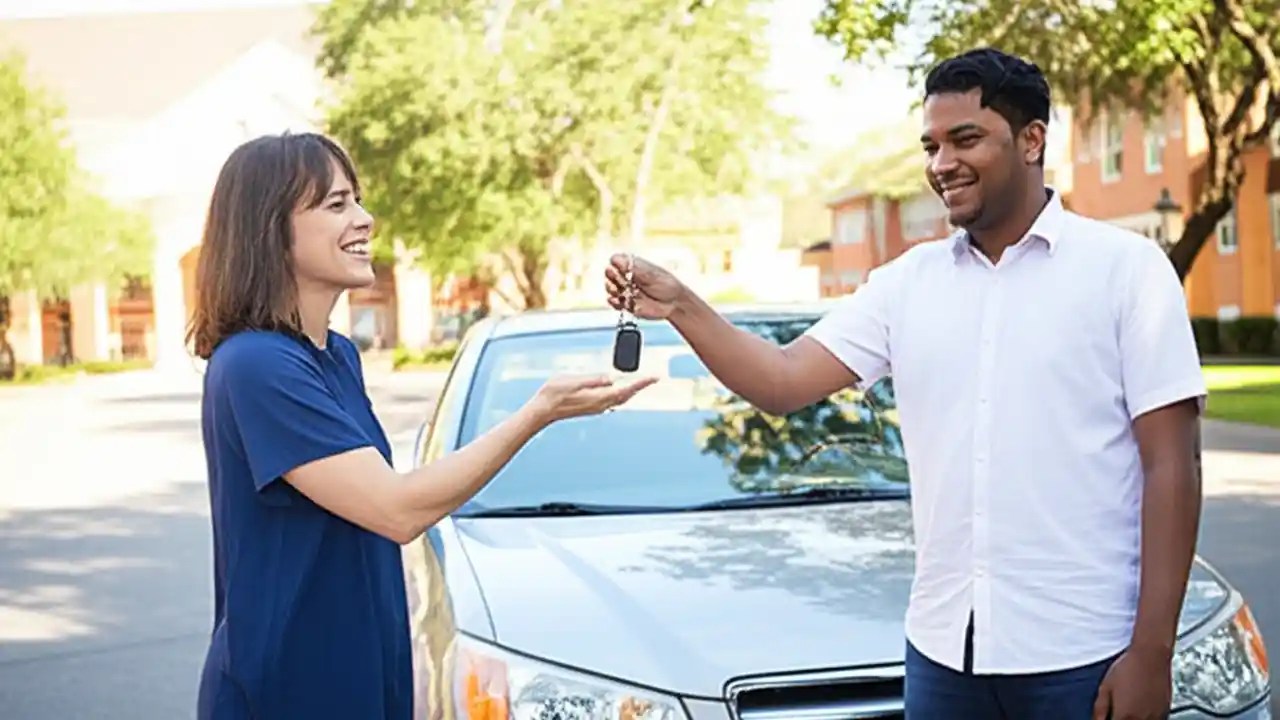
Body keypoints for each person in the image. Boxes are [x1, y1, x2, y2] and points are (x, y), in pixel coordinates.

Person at [605, 48, 1204, 720]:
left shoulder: (1126, 270)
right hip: (945, 658)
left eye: (965, 139)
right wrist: (682, 304)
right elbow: (780, 379)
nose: (941, 163)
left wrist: (1151, 651)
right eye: (932, 145)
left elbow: (1170, 464)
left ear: (1033, 139)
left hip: (1084, 658)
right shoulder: (905, 286)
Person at [189, 131, 655, 719]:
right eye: (337, 205)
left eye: (356, 199)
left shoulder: (333, 354)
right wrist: (537, 414)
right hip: (290, 692)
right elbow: (397, 510)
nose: (365, 219)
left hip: (357, 681)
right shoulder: (257, 365)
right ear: (270, 229)